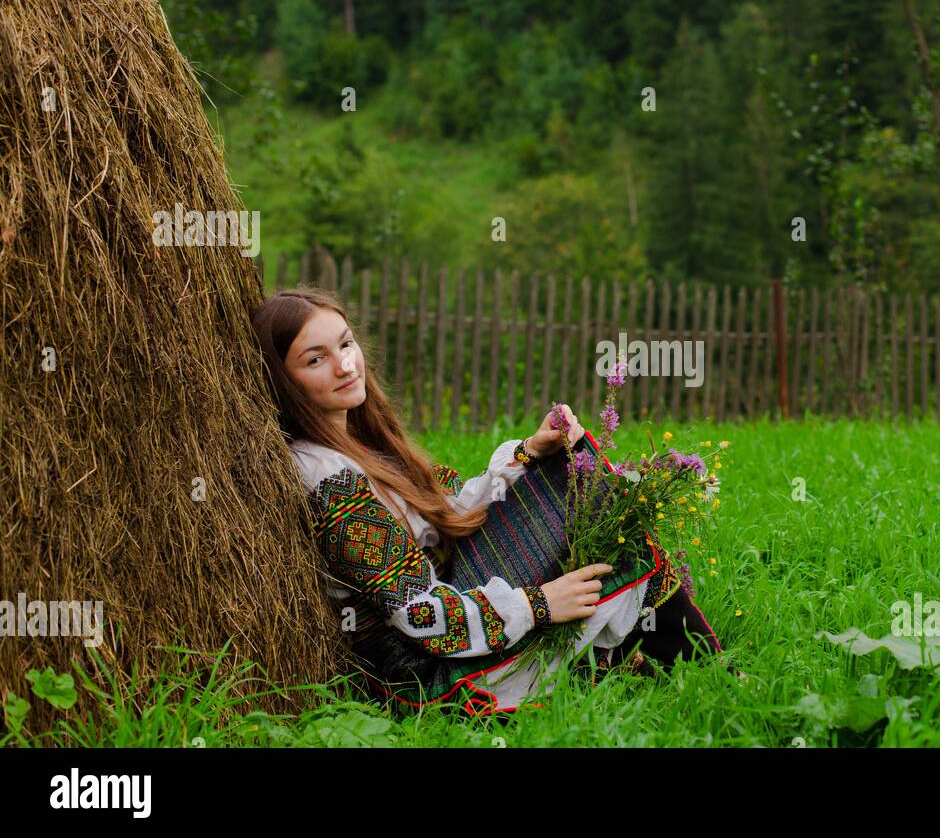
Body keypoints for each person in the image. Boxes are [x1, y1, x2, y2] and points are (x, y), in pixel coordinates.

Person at [251, 288, 731, 717]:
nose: (345, 365)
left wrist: (529, 453)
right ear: (283, 379)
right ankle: (712, 677)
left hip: (451, 600)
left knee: (596, 503)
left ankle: (660, 661)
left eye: (346, 343)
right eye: (315, 359)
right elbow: (419, 613)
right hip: (422, 669)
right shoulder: (326, 477)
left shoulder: (359, 438)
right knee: (618, 538)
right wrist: (538, 605)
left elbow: (446, 510)